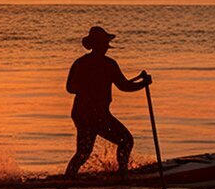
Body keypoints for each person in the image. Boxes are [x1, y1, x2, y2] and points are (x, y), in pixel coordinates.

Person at [64, 25, 151, 179]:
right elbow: (70, 88)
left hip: (93, 114)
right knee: (125, 140)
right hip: (87, 115)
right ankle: (122, 175)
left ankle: (69, 178)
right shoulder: (83, 64)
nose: (106, 46)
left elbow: (124, 86)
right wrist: (86, 89)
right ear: (96, 44)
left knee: (84, 153)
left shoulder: (108, 64)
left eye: (106, 43)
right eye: (103, 42)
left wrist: (142, 84)